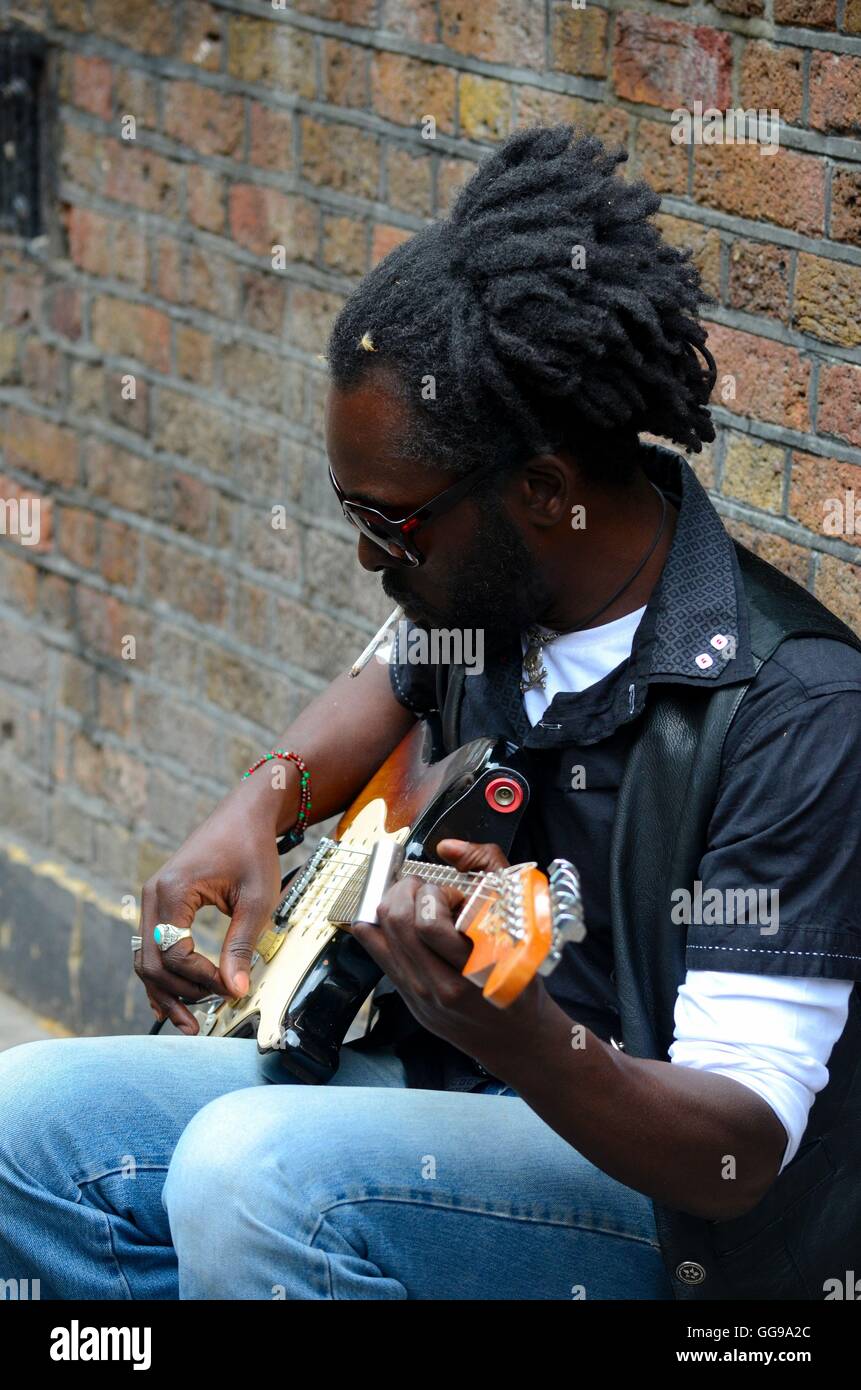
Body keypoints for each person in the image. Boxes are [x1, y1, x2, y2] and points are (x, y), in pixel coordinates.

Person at [1, 125, 858, 1301]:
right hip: (441, 1089)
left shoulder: (796, 709)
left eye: (389, 524)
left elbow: (739, 1149)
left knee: (253, 1180)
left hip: (661, 1205)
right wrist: (259, 801)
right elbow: (387, 679)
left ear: (542, 491)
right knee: (27, 1126)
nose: (367, 557)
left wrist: (514, 1030)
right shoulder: (497, 590)